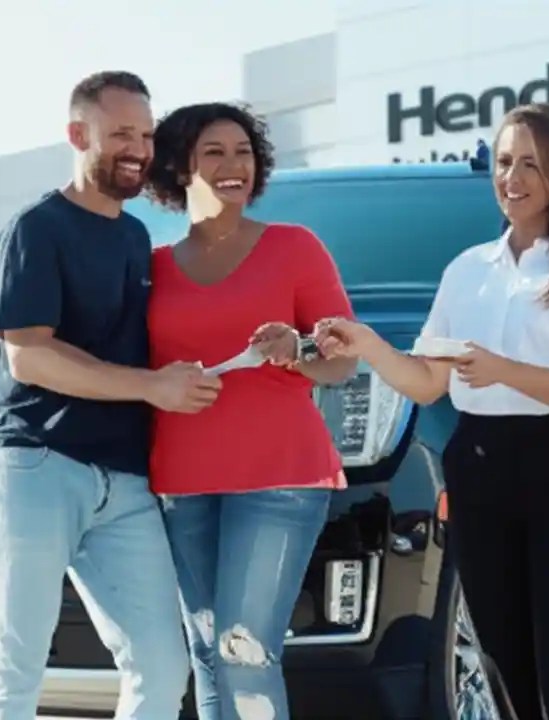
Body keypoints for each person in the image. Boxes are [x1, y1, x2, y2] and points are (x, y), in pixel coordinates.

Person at [315, 102, 549, 720]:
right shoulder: (467, 271)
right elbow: (426, 383)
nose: (511, 178)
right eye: (504, 161)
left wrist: (499, 369)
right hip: (481, 464)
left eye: (530, 165)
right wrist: (367, 345)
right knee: (502, 664)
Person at [0, 70, 223, 720]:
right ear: (77, 134)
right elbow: (29, 356)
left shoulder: (136, 238)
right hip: (35, 468)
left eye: (145, 133)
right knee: (16, 669)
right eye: (120, 134)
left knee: (163, 667)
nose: (139, 148)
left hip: (125, 483)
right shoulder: (36, 230)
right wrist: (152, 389)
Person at [142, 101, 359, 720]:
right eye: (214, 152)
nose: (234, 164)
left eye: (243, 152)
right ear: (180, 166)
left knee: (246, 651)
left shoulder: (294, 248)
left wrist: (297, 350)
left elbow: (342, 358)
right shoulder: (152, 269)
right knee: (208, 653)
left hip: (279, 479)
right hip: (181, 482)